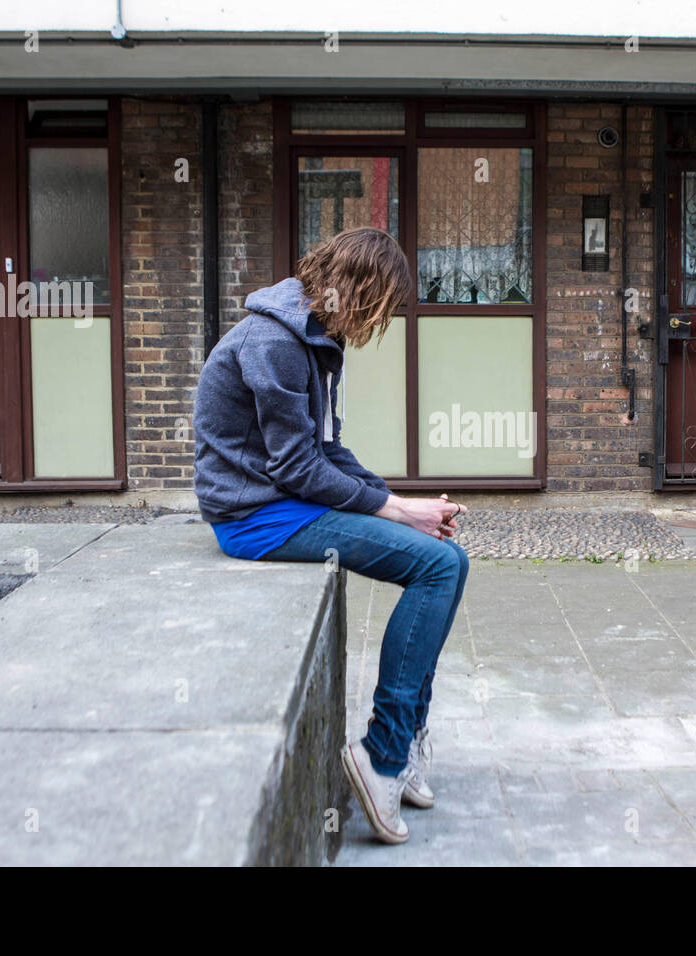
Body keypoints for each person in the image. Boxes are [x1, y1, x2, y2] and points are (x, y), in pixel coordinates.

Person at [192, 227, 468, 845]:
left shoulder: (314, 338)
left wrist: (401, 502)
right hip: (255, 516)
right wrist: (401, 513)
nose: (381, 324)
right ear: (359, 290)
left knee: (451, 557)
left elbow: (326, 449)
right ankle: (382, 757)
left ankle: (404, 740)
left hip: (283, 500)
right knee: (439, 566)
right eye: (383, 307)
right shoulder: (275, 343)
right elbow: (296, 468)